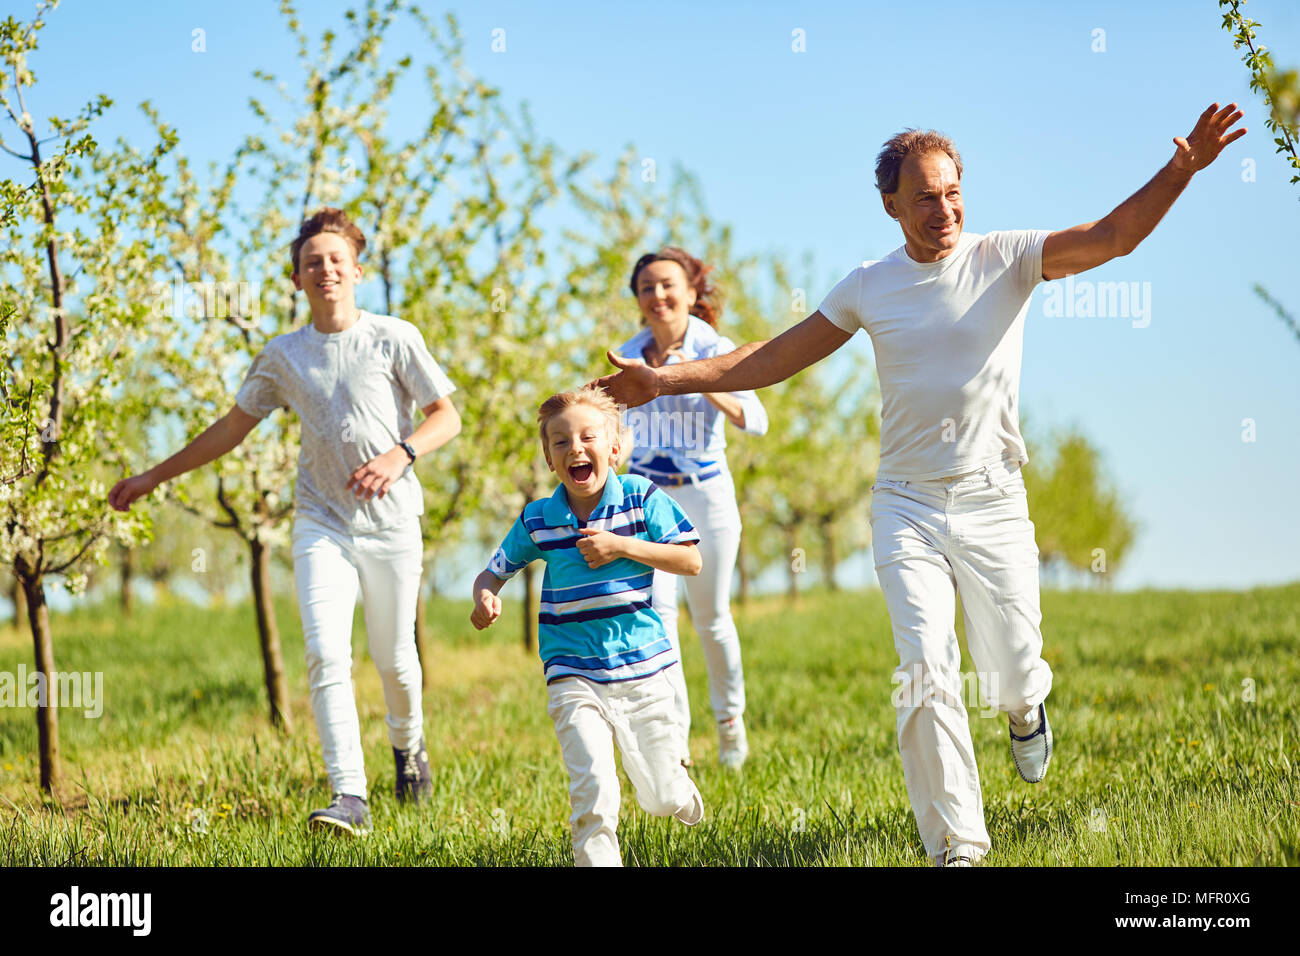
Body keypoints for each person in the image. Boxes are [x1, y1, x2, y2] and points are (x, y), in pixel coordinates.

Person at [596, 104, 1246, 866]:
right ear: (892, 205)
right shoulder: (870, 285)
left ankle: (1023, 704)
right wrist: (662, 381)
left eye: (953, 192)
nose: (944, 209)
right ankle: (957, 846)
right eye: (926, 196)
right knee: (926, 668)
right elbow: (771, 359)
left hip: (993, 497)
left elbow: (1111, 238)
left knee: (1008, 668)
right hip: (905, 503)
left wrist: (1181, 169)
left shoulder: (1008, 255)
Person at [108, 207, 462, 836]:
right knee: (326, 653)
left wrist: (400, 453)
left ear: (356, 269)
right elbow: (230, 428)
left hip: (391, 524)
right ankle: (349, 794)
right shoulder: (284, 356)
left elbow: (445, 417)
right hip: (321, 521)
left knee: (394, 660)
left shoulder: (394, 336)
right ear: (297, 280)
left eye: (335, 260)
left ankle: (409, 748)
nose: (324, 270)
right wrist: (153, 476)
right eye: (310, 263)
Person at [470, 385, 705, 866]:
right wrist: (485, 594)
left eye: (587, 437)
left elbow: (691, 560)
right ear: (549, 458)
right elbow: (494, 569)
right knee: (593, 785)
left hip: (643, 669)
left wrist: (622, 546)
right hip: (572, 671)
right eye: (560, 441)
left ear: (614, 447)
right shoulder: (539, 519)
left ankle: (677, 788)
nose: (575, 448)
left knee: (660, 797)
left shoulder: (642, 498)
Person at [615, 247, 768, 769]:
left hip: (706, 493)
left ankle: (730, 728)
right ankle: (674, 743)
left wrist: (699, 377)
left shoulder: (715, 347)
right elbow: (614, 432)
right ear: (637, 299)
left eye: (666, 285)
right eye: (646, 288)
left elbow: (756, 419)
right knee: (658, 616)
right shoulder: (627, 354)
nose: (657, 296)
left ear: (691, 292)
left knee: (712, 618)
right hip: (652, 499)